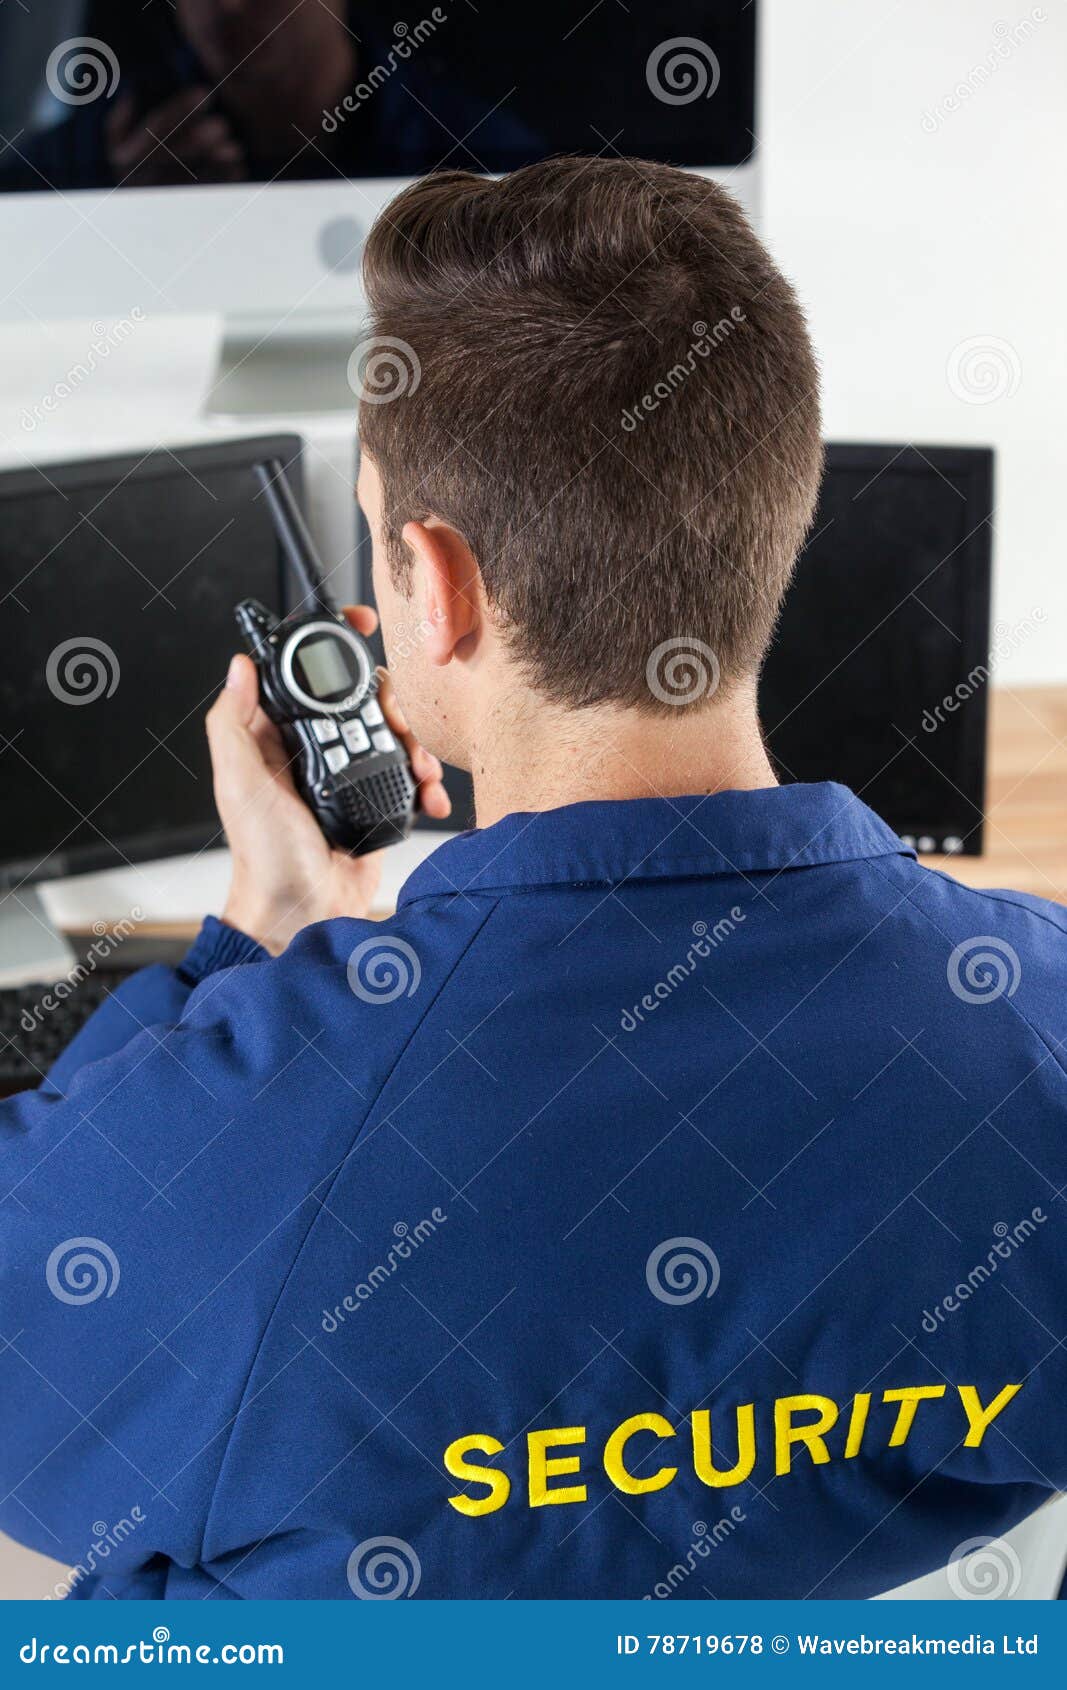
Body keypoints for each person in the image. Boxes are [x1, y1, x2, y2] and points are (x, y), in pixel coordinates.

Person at [1, 157, 1065, 1601]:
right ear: (772, 528)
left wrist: (250, 947)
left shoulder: (223, 1150)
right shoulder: (1037, 1022)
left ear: (432, 586)